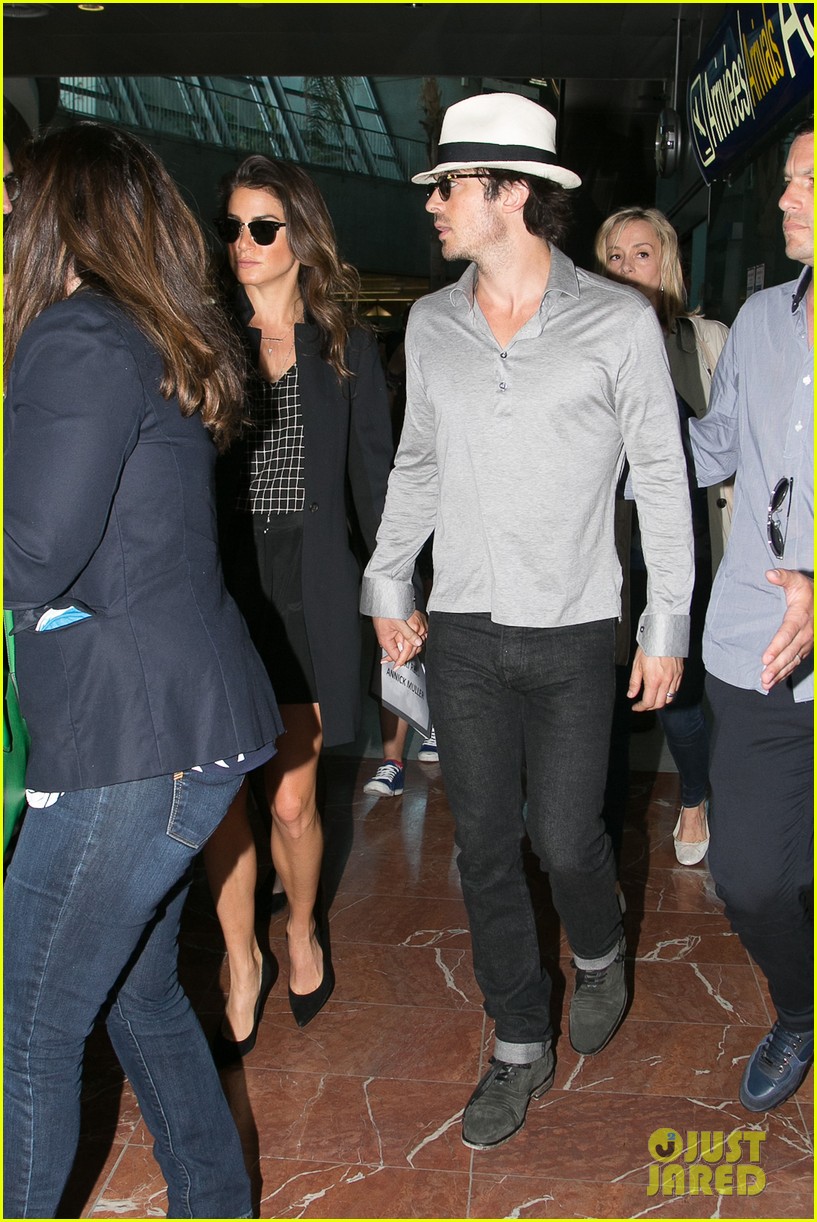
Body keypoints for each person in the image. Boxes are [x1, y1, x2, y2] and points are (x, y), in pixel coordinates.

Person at [360, 92, 694, 1149]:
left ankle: (598, 950)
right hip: (462, 625)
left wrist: (666, 621)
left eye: (449, 187)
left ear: (509, 192)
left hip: (575, 626)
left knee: (566, 836)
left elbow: (661, 477)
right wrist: (388, 584)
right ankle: (515, 1042)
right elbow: (415, 465)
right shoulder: (430, 323)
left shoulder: (618, 322)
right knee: (485, 849)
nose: (434, 206)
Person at [3, 122, 283, 1219]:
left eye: (20, 202)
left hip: (133, 741)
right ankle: (216, 1199)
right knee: (138, 993)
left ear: (60, 215)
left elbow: (31, 550)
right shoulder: (140, 332)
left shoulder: (76, 335)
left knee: (26, 1020)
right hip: (172, 727)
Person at [203, 155, 394, 1056]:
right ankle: (240, 957)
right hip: (219, 581)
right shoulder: (203, 336)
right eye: (233, 227)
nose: (243, 243)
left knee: (288, 800)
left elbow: (374, 481)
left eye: (262, 228)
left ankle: (301, 928)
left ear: (300, 236)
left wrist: (393, 592)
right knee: (218, 798)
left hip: (309, 581)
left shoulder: (345, 345)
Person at [689, 118, 814, 1112]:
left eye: (804, 181)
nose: (782, 200)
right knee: (751, 878)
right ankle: (799, 1008)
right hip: (757, 653)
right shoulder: (764, 318)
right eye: (784, 180)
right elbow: (716, 447)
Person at [595, 206, 729, 865]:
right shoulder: (586, 339)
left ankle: (696, 797)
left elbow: (732, 446)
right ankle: (603, 834)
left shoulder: (704, 343)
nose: (625, 268)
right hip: (609, 551)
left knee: (679, 696)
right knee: (609, 698)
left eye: (640, 254)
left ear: (666, 262)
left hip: (687, 547)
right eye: (613, 257)